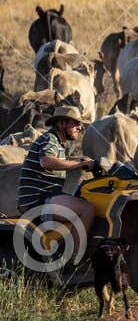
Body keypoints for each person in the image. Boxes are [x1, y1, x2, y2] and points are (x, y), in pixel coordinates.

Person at [18, 103, 99, 254]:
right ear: (61, 123)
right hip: (39, 200)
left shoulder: (57, 144)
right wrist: (77, 164)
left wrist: (81, 161)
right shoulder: (49, 139)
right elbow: (46, 161)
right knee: (87, 209)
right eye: (75, 123)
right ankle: (74, 259)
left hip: (43, 197)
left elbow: (58, 159)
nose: (79, 128)